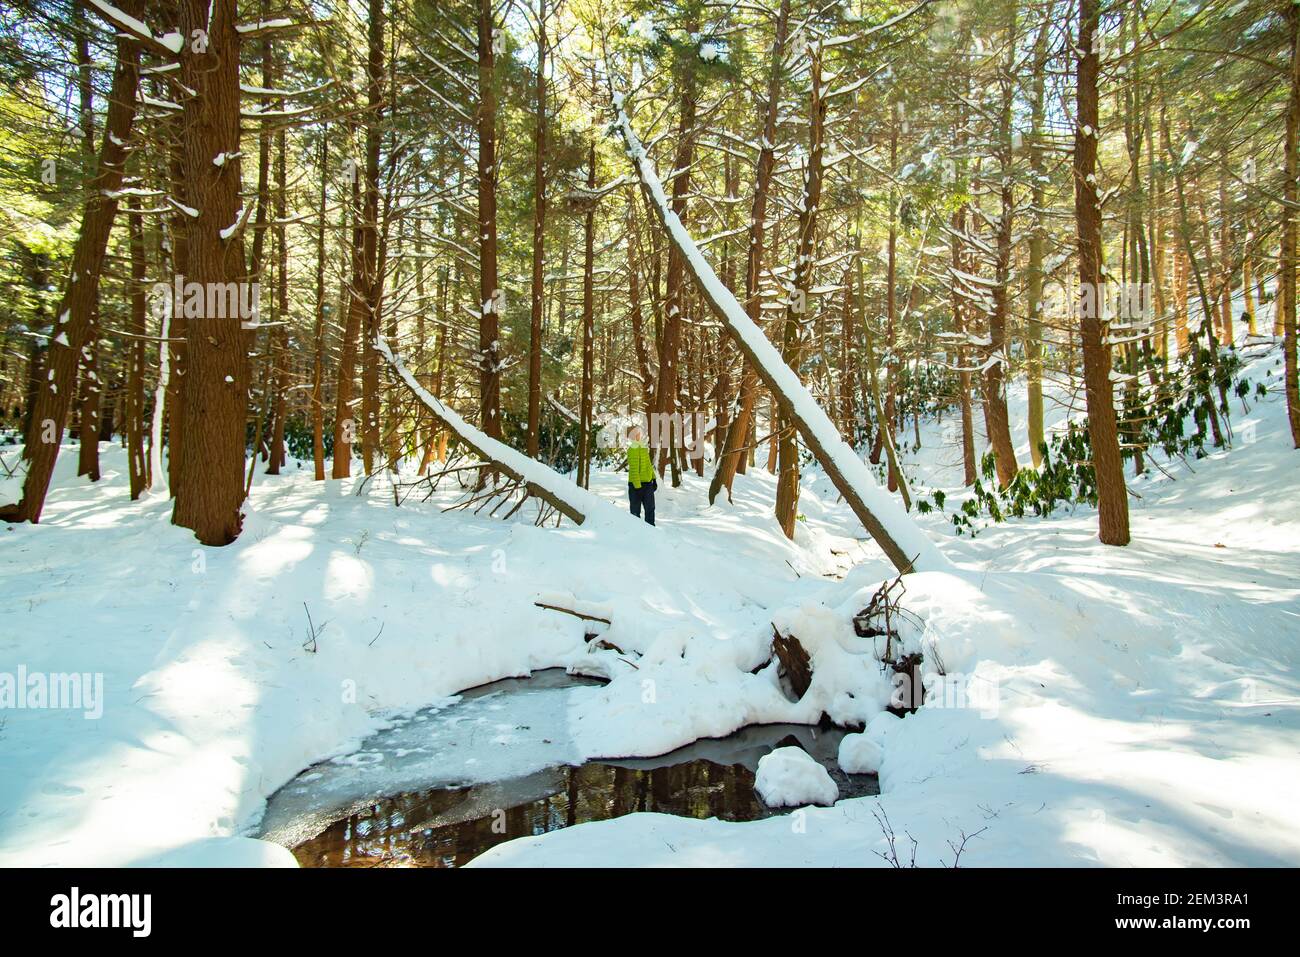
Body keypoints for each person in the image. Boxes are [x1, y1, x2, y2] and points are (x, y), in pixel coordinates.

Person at [625, 425, 657, 526]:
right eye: (638, 432)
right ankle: (637, 535)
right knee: (635, 513)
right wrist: (637, 487)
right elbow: (634, 469)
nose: (640, 434)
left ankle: (651, 531)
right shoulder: (632, 449)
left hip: (647, 484)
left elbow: (648, 464)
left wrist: (654, 478)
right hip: (635, 486)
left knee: (650, 509)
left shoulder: (643, 447)